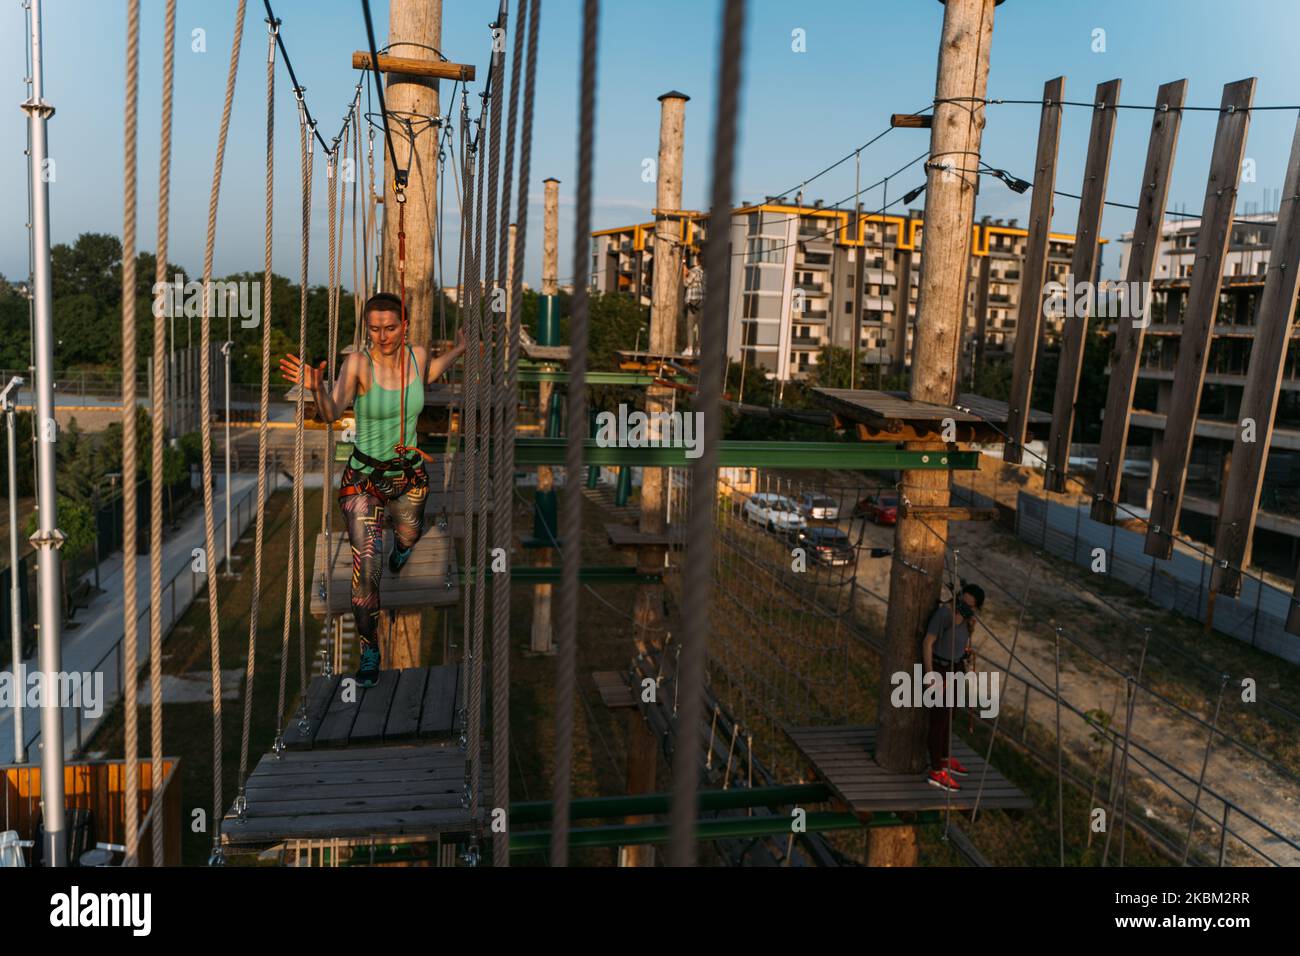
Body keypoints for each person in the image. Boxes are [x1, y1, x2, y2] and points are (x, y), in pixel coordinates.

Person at [279, 292, 465, 688]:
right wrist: (317, 388)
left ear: (405, 325)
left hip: (410, 476)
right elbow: (331, 413)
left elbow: (429, 373)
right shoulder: (358, 363)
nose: (382, 337)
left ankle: (403, 547)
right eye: (374, 329)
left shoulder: (415, 354)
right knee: (366, 571)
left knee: (410, 533)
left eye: (390, 328)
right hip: (364, 479)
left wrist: (460, 350)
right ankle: (369, 650)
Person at [921, 582, 985, 792]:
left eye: (970, 606)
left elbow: (959, 642)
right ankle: (936, 770)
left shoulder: (968, 621)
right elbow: (928, 642)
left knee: (950, 715)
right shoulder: (944, 614)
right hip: (940, 668)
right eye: (962, 602)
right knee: (939, 718)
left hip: (956, 668)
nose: (964, 607)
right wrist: (929, 673)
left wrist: (966, 646)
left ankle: (946, 758)